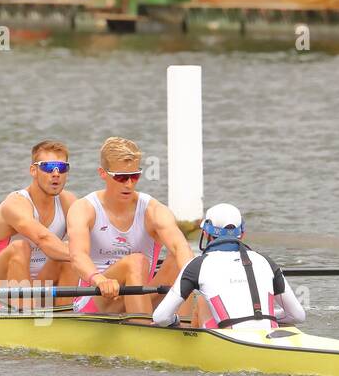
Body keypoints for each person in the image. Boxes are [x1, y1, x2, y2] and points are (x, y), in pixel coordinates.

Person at [65, 137, 194, 316]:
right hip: (97, 298)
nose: (129, 184)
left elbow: (180, 247)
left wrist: (196, 276)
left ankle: (187, 331)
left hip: (141, 294)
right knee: (136, 261)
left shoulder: (154, 210)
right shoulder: (84, 208)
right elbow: (77, 256)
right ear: (102, 173)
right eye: (121, 177)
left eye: (134, 176)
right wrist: (99, 279)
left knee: (183, 263)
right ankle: (142, 330)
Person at [152, 203, 306, 329]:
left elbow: (160, 317)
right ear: (242, 234)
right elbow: (297, 316)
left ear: (206, 234)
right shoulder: (266, 262)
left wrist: (175, 320)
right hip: (268, 335)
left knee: (202, 301)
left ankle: (190, 350)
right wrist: (269, 314)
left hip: (228, 339)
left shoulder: (197, 265)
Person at [0, 140, 77, 291]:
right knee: (19, 247)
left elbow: (92, 236)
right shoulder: (15, 203)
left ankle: (67, 311)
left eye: (62, 167)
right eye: (48, 167)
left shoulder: (68, 201)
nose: (56, 174)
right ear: (33, 170)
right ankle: (25, 310)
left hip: (42, 284)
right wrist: (85, 261)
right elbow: (43, 239)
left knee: (73, 247)